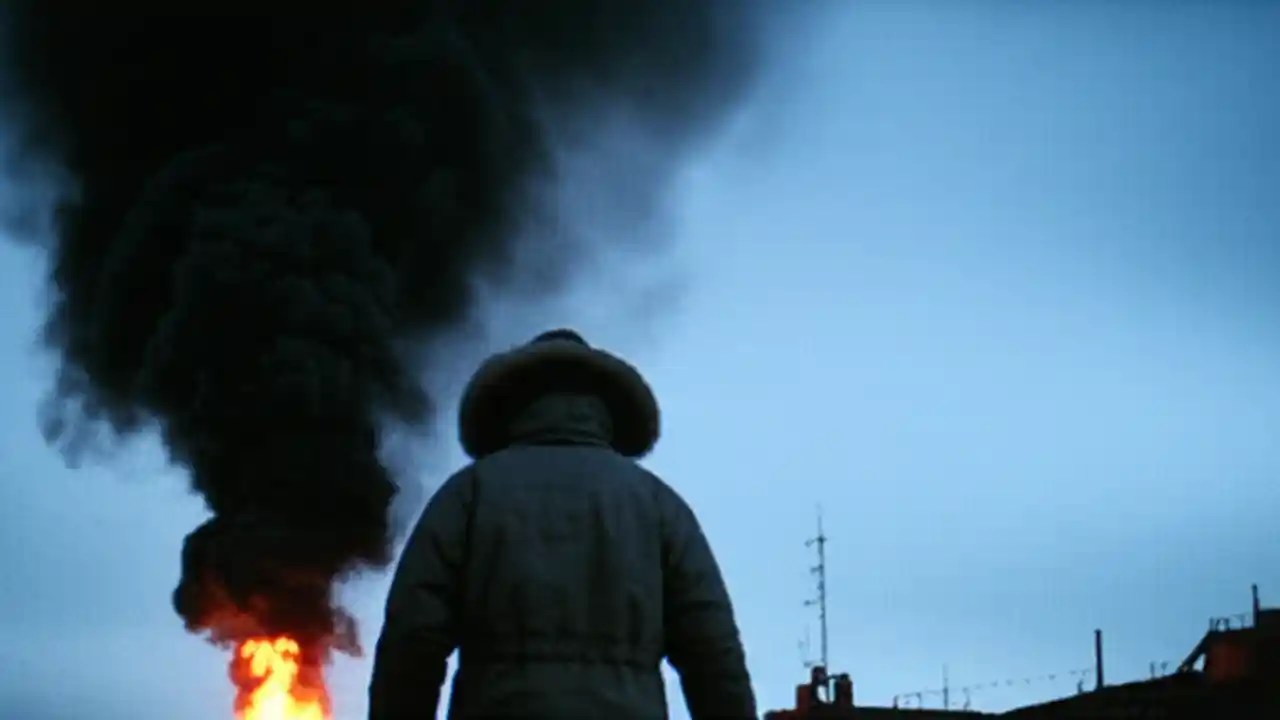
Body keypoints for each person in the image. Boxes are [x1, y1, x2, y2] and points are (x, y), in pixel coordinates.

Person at [368, 328, 756, 719]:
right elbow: (713, 656)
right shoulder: (657, 505)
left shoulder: (469, 494)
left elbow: (412, 645)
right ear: (608, 406)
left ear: (509, 403)